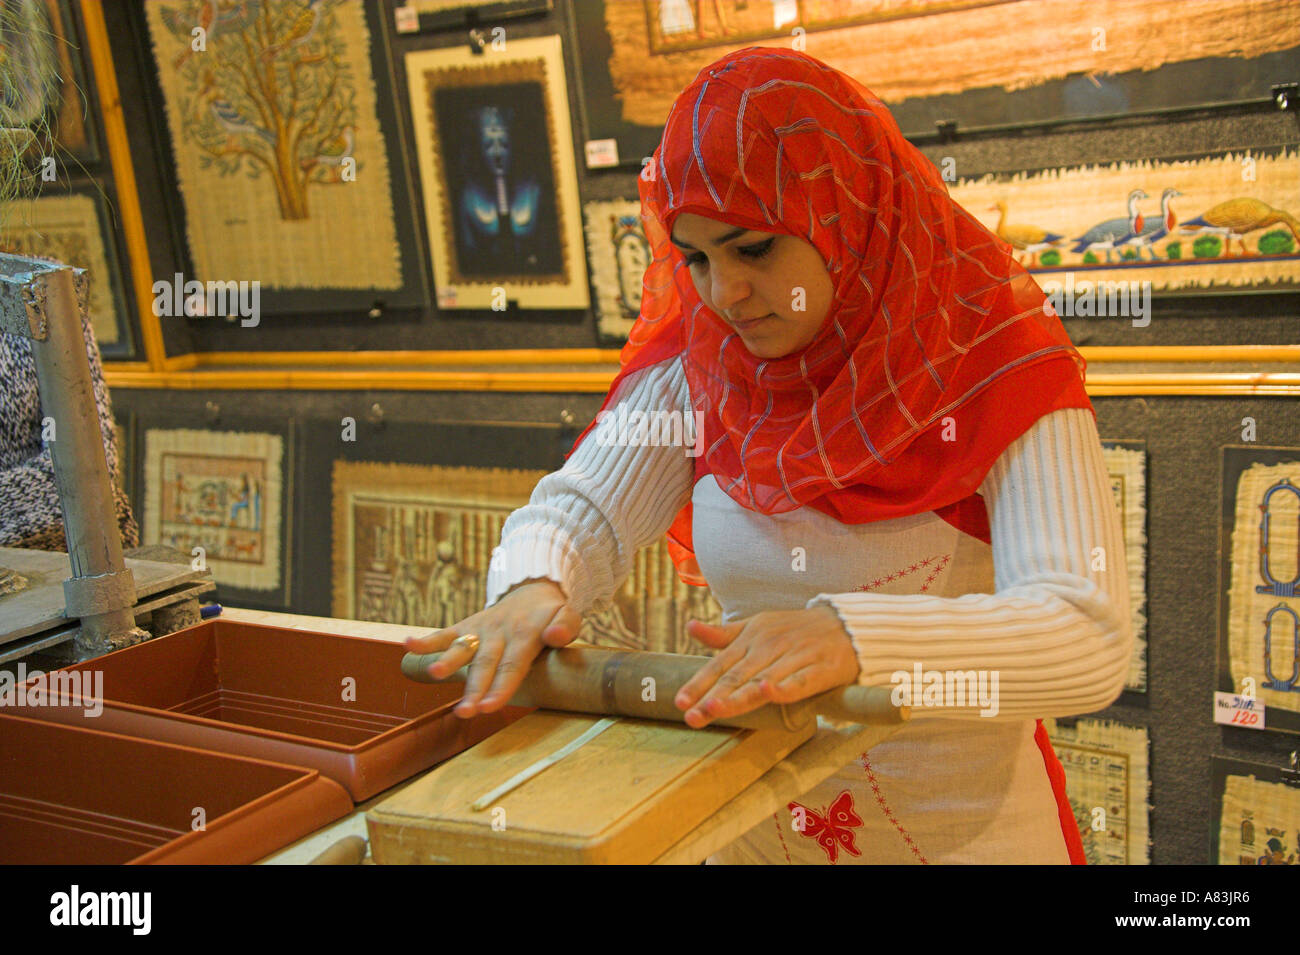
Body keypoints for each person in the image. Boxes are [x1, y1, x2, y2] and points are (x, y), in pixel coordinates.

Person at [407, 46, 1133, 864]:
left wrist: (855, 636)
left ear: (847, 213)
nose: (725, 293)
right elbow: (583, 508)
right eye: (697, 259)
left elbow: (1085, 637)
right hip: (750, 838)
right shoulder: (706, 368)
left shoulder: (993, 367)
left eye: (753, 249)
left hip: (964, 840)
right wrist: (537, 580)